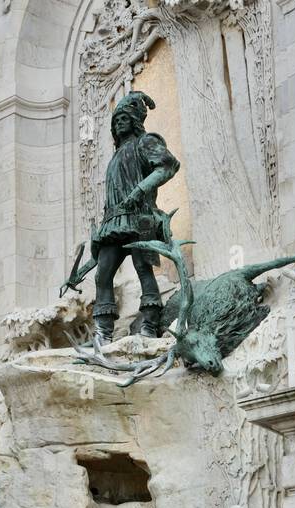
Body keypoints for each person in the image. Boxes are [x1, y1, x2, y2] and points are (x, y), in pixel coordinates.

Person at [62, 91, 180, 342]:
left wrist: (141, 190)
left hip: (141, 217)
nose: (119, 123)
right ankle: (104, 331)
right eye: (116, 120)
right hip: (114, 222)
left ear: (135, 120)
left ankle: (150, 322)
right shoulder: (116, 155)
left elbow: (169, 165)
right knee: (102, 273)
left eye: (124, 118)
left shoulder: (145, 142)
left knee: (142, 266)